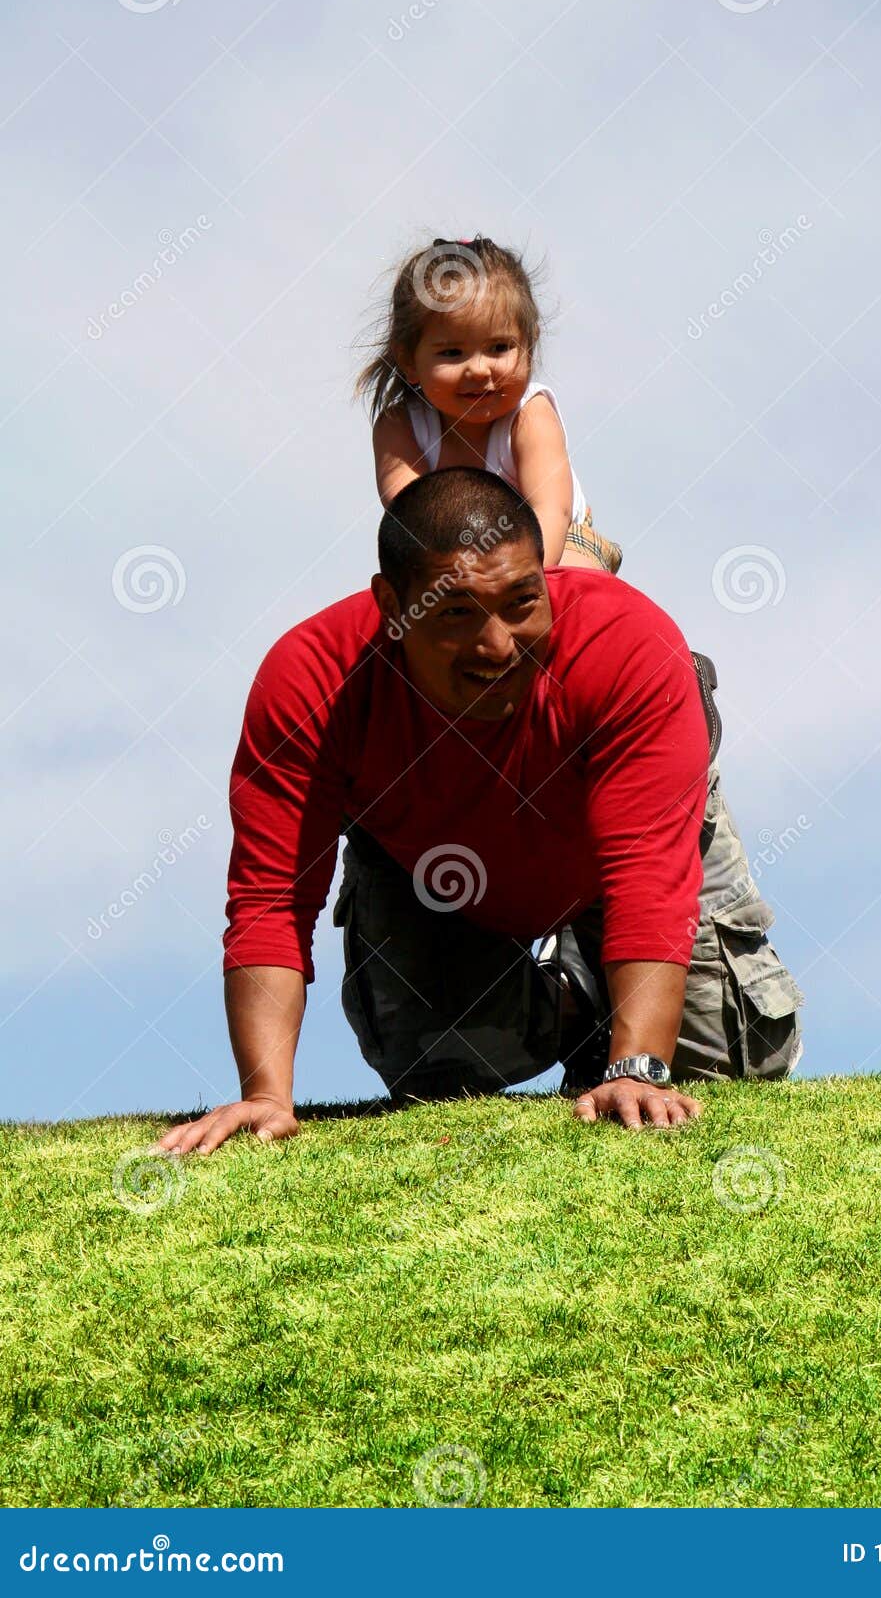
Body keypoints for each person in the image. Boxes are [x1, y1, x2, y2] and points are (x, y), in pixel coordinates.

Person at [156, 470, 801, 1157]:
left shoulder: (628, 643)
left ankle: (613, 1017)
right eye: (457, 613)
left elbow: (646, 871)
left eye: (522, 603)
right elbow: (272, 899)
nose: (497, 647)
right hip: (439, 879)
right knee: (437, 1066)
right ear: (391, 604)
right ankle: (579, 1001)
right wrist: (266, 1096)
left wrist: (635, 1068)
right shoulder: (312, 681)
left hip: (619, 851)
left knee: (731, 1066)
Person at [357, 233, 623, 572]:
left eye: (500, 348)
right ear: (409, 360)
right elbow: (412, 517)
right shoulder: (400, 426)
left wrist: (519, 580)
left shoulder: (529, 415)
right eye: (452, 353)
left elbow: (551, 509)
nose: (480, 370)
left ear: (529, 344)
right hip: (453, 555)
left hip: (556, 540)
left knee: (574, 581)